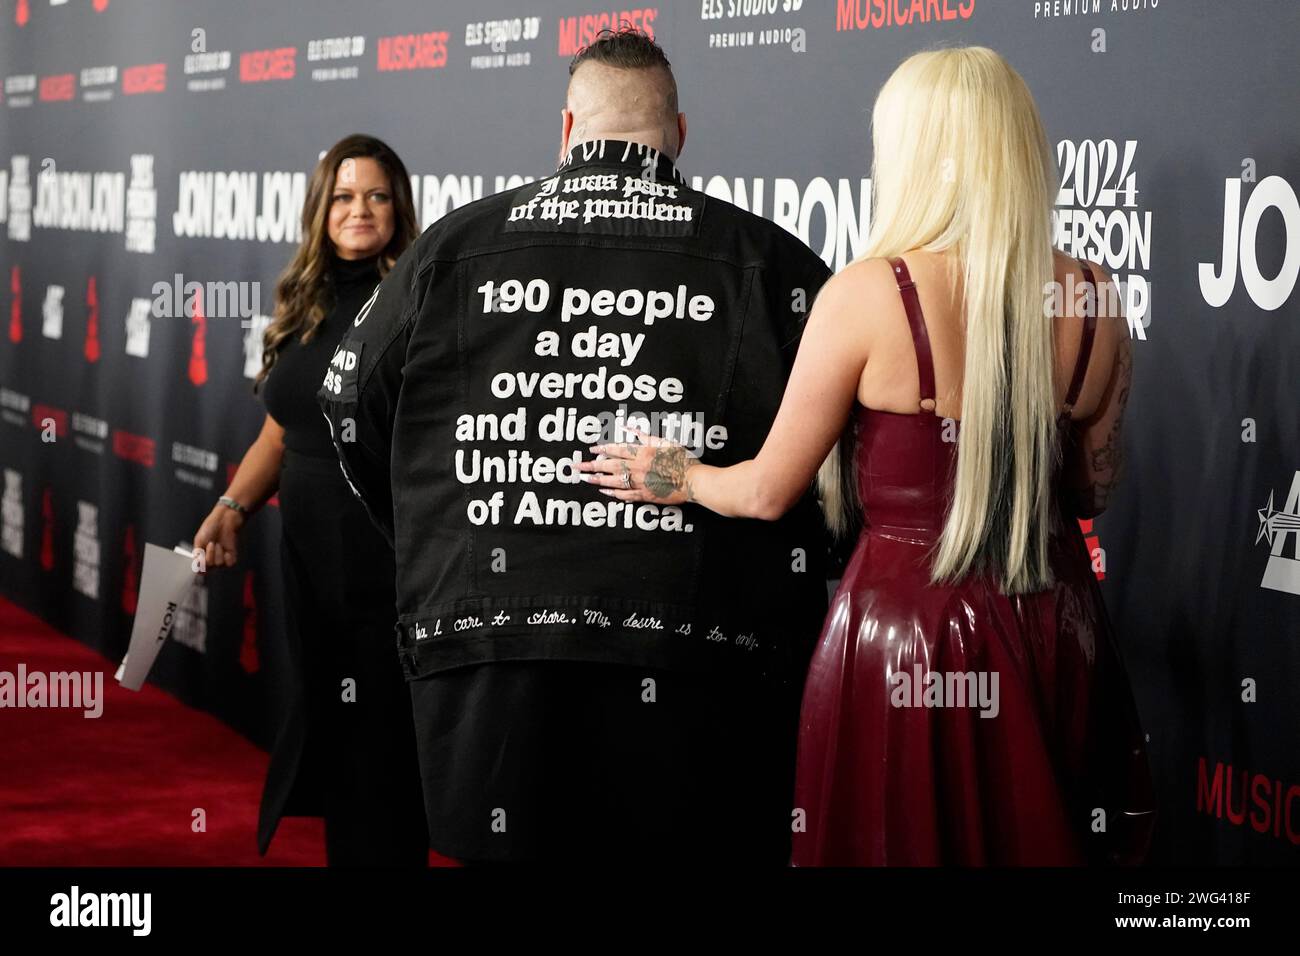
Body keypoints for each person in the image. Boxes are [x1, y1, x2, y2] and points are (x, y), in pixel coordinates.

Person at [581, 47, 1156, 865]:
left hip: (906, 639)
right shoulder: (1093, 295)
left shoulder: (866, 294)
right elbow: (1092, 493)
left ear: (912, 153)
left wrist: (671, 473)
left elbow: (765, 492)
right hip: (1055, 624)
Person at [317, 28, 832, 864]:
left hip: (488, 646)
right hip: (700, 650)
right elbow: (848, 452)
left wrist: (430, 526)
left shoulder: (453, 246)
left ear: (566, 129)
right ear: (681, 131)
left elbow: (345, 405)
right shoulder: (770, 261)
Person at [192, 134, 429, 866]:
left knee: (381, 741)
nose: (360, 210)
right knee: (335, 721)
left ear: (400, 207)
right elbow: (282, 427)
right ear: (322, 210)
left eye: (378, 195)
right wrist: (232, 505)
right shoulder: (305, 299)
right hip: (310, 560)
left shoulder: (416, 298)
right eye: (345, 196)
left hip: (383, 557)